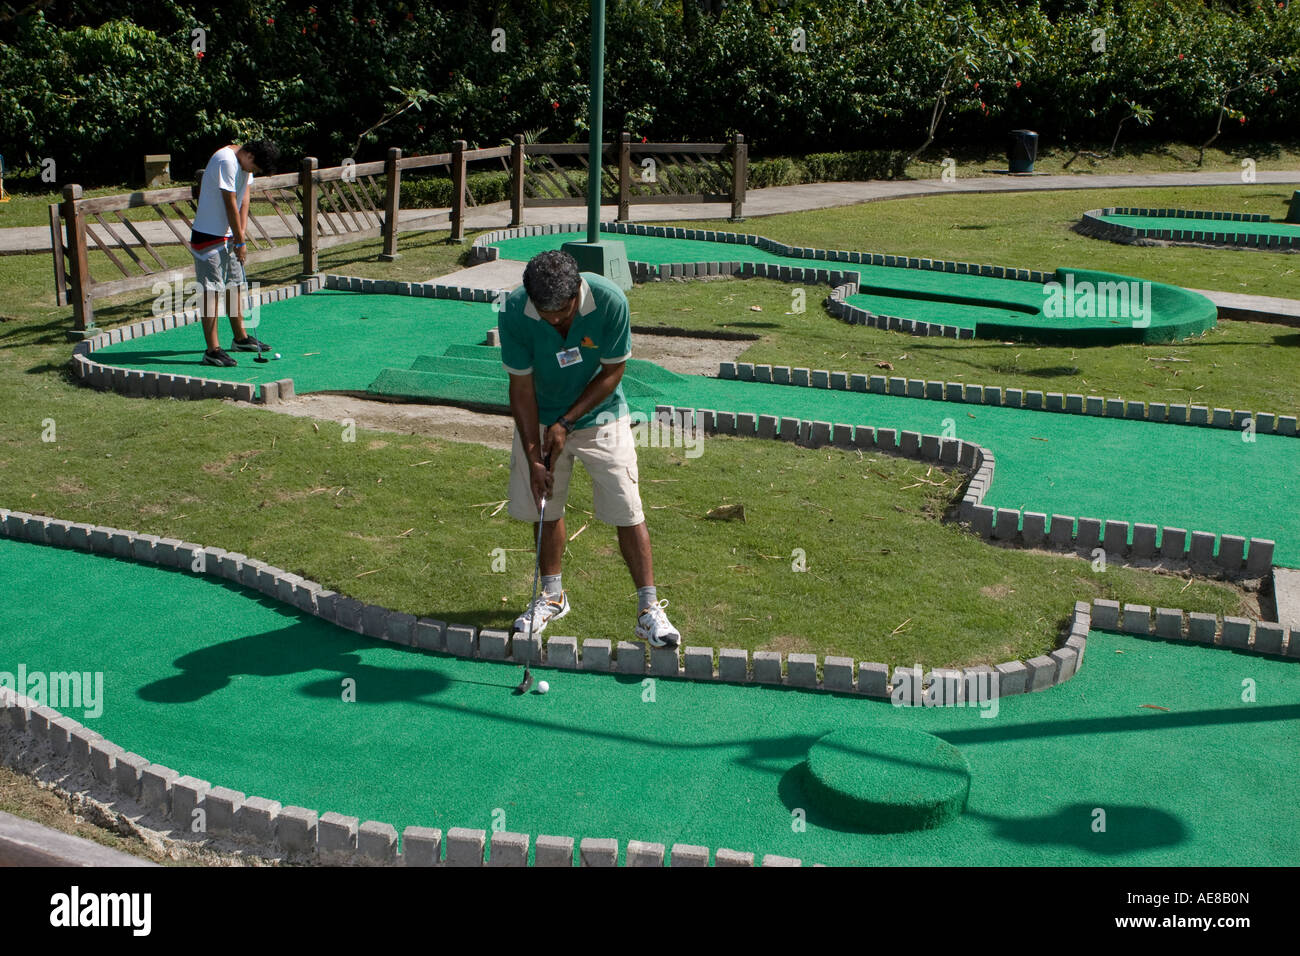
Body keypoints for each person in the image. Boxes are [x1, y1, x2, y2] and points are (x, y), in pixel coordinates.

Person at [500, 250, 681, 648]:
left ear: (577, 291)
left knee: (627, 505)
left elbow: (613, 370)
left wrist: (568, 422)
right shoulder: (514, 311)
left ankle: (648, 610)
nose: (556, 323)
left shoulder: (611, 300)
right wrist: (534, 455)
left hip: (602, 416)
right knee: (545, 502)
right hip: (541, 415)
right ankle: (552, 596)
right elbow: (521, 389)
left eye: (563, 315)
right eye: (547, 316)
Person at [189, 139, 280, 366]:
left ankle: (240, 338)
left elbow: (244, 198)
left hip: (229, 235)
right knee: (211, 292)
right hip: (208, 236)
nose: (253, 172)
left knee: (235, 286)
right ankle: (212, 350)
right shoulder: (225, 160)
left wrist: (241, 234)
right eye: (254, 168)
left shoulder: (244, 163)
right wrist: (240, 241)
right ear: (249, 155)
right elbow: (229, 201)